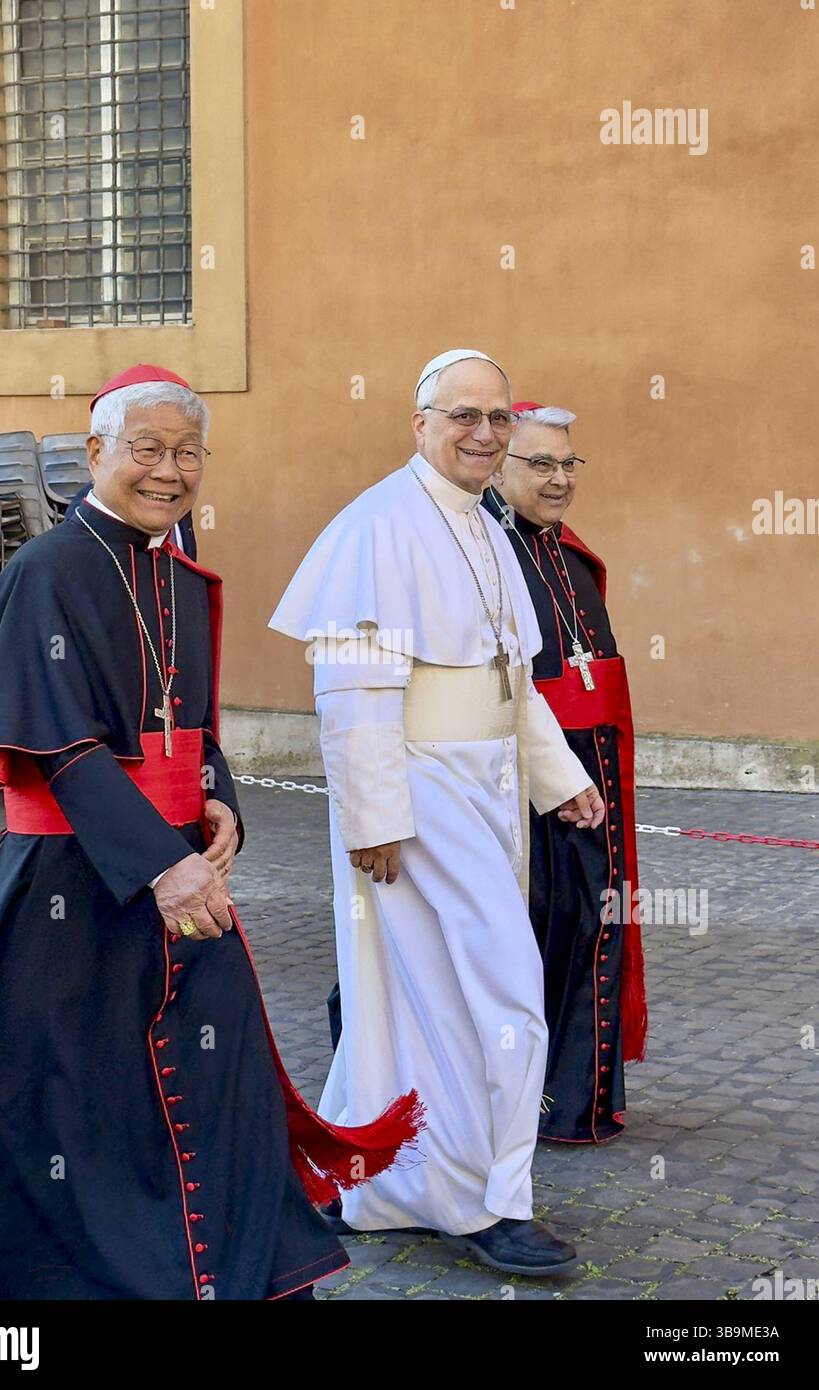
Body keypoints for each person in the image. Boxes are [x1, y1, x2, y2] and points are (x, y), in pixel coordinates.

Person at [0, 363, 422, 1301]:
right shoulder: (43, 571)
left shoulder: (173, 572)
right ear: (97, 453)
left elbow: (191, 725)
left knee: (212, 1076)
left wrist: (217, 801)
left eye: (187, 452)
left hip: (176, 865)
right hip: (71, 879)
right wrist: (161, 869)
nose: (169, 470)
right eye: (148, 449)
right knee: (58, 1091)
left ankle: (209, 1264)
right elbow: (58, 743)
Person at [269, 350, 606, 1275]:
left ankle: (374, 1178)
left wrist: (556, 777)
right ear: (418, 421)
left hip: (486, 788)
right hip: (417, 795)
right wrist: (373, 816)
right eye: (464, 416)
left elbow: (511, 675)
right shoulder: (378, 525)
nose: (485, 434)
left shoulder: (483, 523)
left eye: (498, 419)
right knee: (503, 994)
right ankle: (491, 1203)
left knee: (414, 1001)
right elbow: (351, 691)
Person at [481, 402, 647, 1143]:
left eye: (565, 464)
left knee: (590, 927)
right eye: (538, 464)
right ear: (498, 465)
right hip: (523, 782)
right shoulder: (484, 551)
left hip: (595, 770)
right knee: (528, 935)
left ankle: (575, 1100)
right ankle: (514, 1101)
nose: (557, 479)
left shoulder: (568, 554)